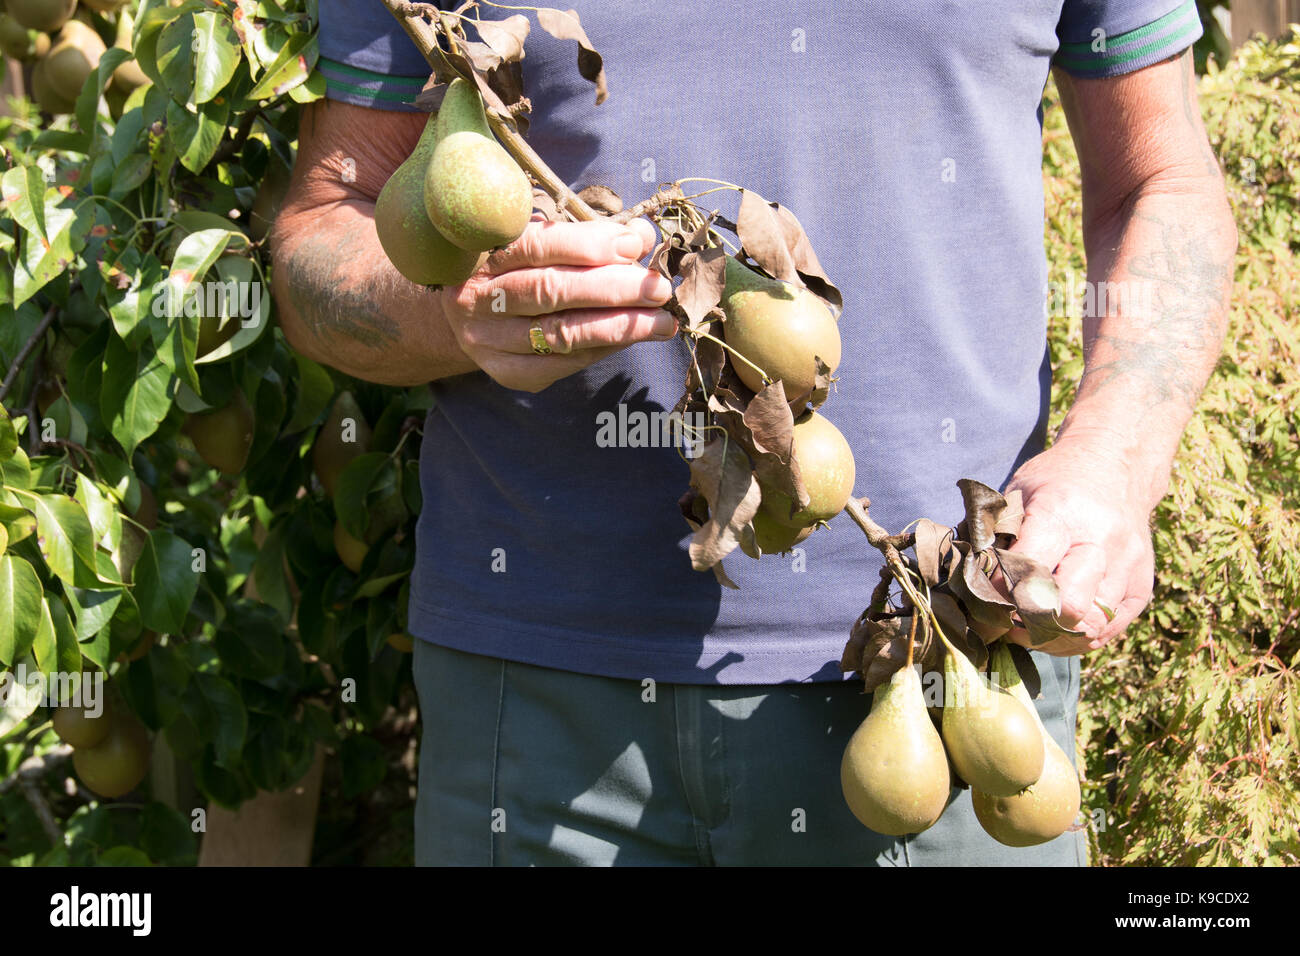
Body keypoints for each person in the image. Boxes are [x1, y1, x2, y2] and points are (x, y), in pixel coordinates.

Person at [272, 0, 1236, 865]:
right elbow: (325, 231)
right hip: (534, 716)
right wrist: (450, 315)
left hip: (948, 695)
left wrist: (1115, 458)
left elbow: (1158, 181)